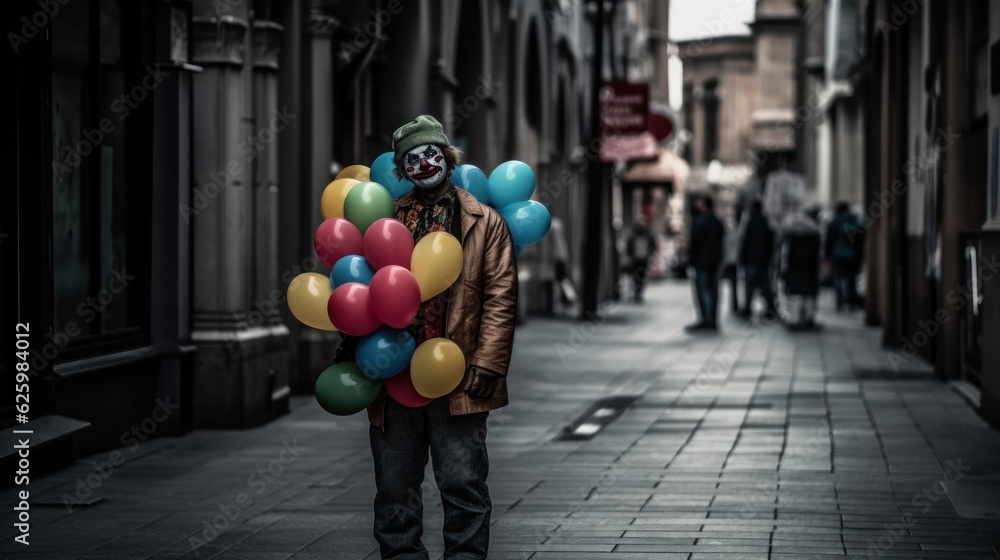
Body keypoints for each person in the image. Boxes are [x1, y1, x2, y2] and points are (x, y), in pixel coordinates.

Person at [335, 115, 518, 560]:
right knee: (395, 489)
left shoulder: (484, 222)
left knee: (463, 486)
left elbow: (500, 297)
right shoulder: (384, 222)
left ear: (449, 158)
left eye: (432, 153)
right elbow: (360, 289)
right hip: (393, 375)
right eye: (412, 159)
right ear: (401, 170)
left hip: (459, 377)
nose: (425, 163)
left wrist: (488, 364)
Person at [686, 195, 725, 331]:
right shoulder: (717, 222)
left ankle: (706, 320)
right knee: (712, 291)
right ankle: (712, 320)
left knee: (703, 291)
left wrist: (689, 261)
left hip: (702, 262)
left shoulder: (700, 221)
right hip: (714, 262)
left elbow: (694, 243)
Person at [780, 206, 821, 329]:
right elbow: (818, 252)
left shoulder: (790, 233)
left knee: (795, 293)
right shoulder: (814, 232)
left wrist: (783, 270)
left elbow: (784, 253)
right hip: (810, 267)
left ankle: (795, 319)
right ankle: (808, 319)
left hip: (794, 267)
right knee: (808, 293)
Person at [739, 199, 776, 318]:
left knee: (749, 286)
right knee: (765, 286)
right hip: (763, 260)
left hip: (751, 259)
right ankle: (771, 308)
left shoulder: (750, 222)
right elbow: (770, 242)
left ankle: (747, 308)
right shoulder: (766, 222)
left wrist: (742, 257)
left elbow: (745, 241)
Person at [825, 201, 863, 310]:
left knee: (837, 278)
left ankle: (839, 302)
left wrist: (827, 256)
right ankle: (851, 302)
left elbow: (829, 241)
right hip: (852, 255)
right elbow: (860, 241)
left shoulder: (834, 222)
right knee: (852, 279)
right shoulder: (854, 221)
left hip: (837, 254)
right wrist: (860, 256)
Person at [625, 214, 657, 302]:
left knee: (641, 276)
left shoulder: (648, 234)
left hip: (644, 258)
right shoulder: (633, 235)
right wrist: (629, 255)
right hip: (635, 259)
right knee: (635, 276)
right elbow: (629, 246)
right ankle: (636, 291)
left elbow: (653, 245)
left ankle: (639, 292)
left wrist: (651, 255)